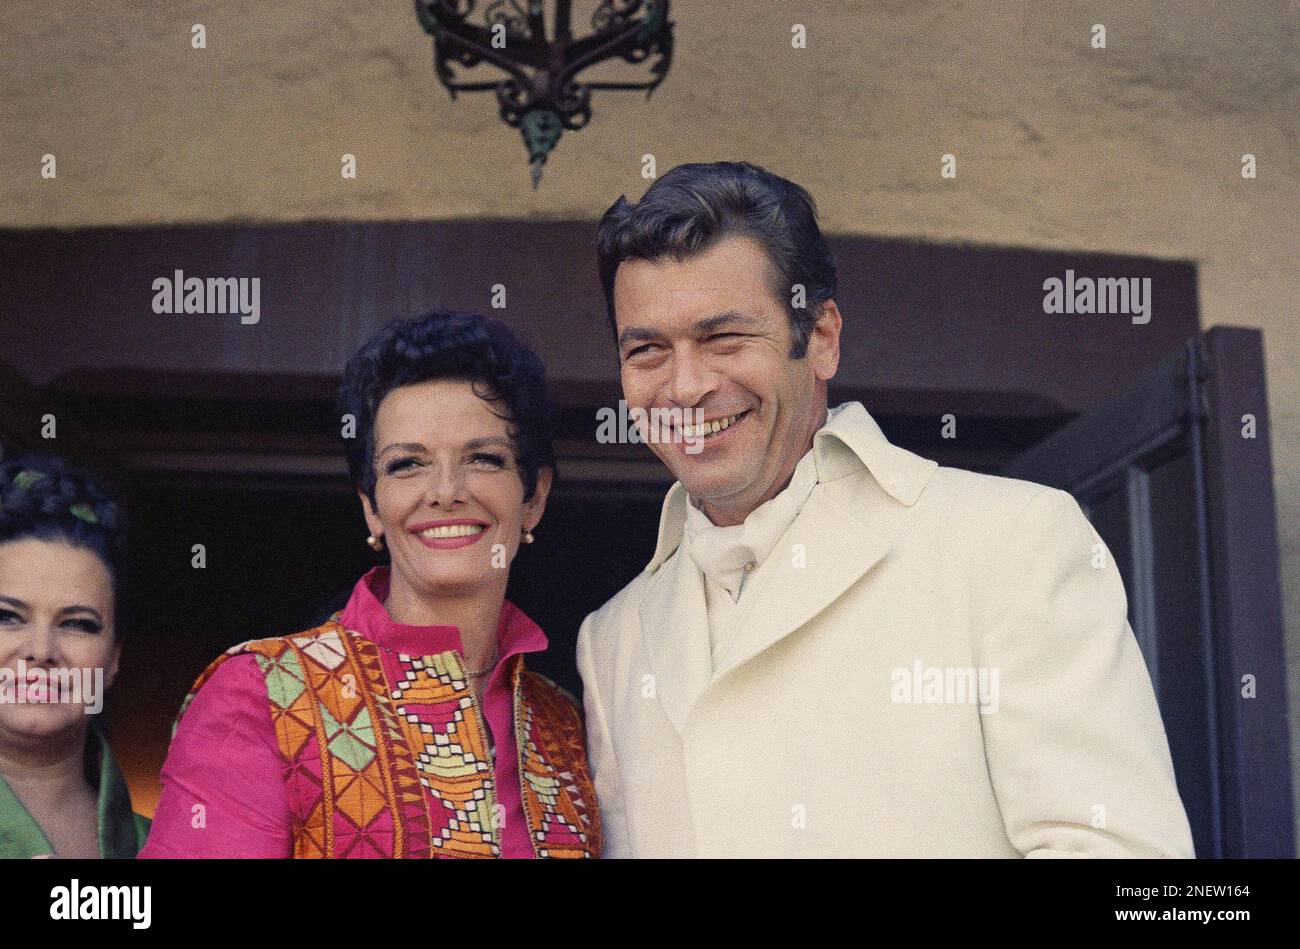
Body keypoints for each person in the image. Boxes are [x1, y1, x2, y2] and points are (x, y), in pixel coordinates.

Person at [577, 160, 1195, 857]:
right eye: (649, 349)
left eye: (724, 338)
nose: (685, 386)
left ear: (822, 337)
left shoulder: (1009, 541)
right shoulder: (613, 638)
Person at [140, 311, 599, 858]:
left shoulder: (563, 724)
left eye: (483, 458)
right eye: (408, 464)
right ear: (371, 508)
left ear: (534, 497)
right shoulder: (259, 696)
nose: (446, 491)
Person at [0, 454, 149, 858]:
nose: (41, 651)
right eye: (8, 617)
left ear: (114, 658)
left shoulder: (167, 844)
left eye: (78, 624)